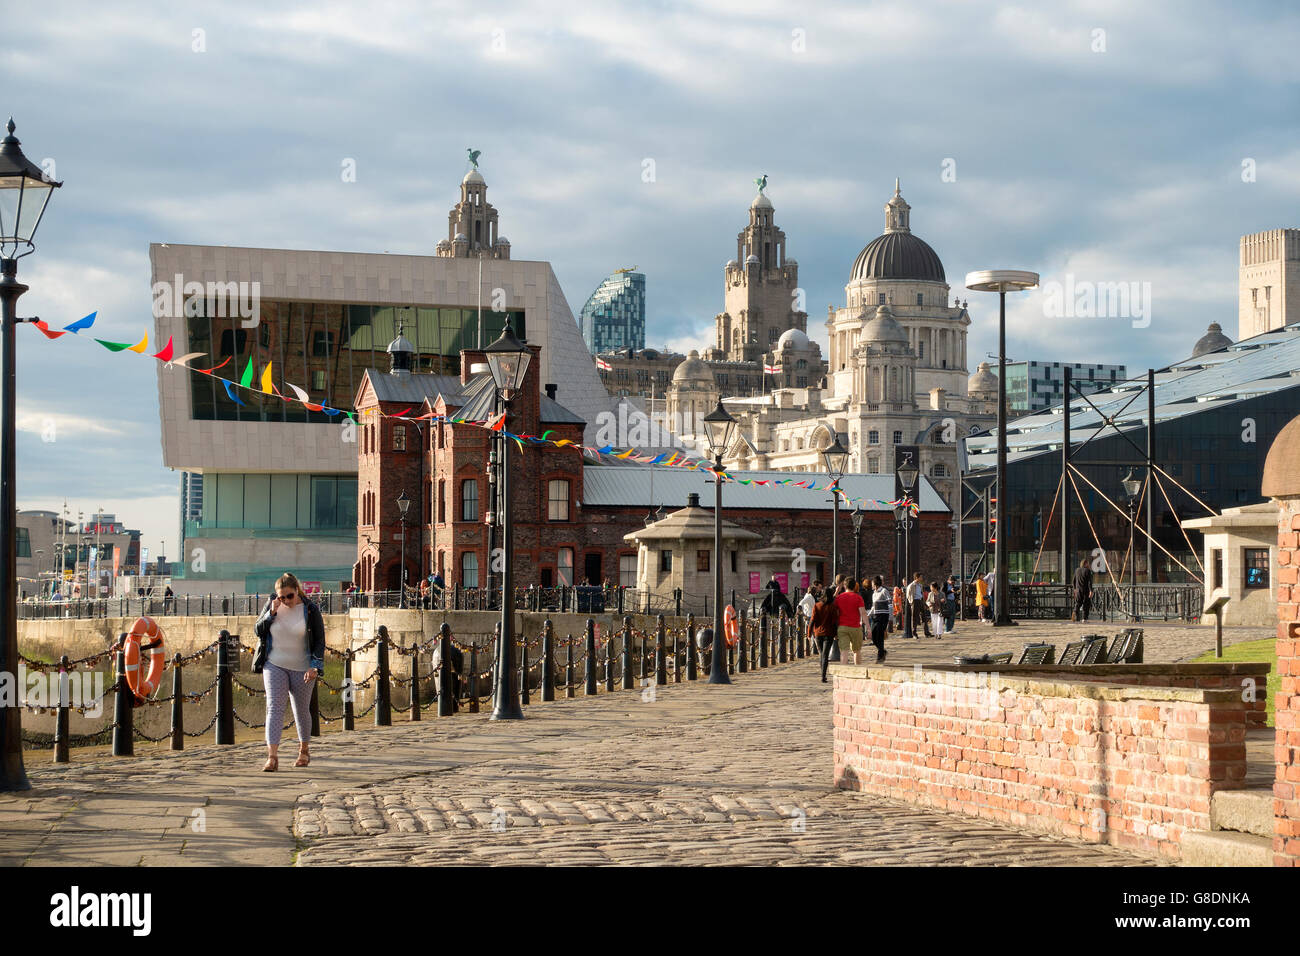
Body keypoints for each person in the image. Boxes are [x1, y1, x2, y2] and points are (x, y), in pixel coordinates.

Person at [252, 572, 325, 772]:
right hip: (274, 664)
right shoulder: (272, 606)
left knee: (301, 710)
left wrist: (314, 666)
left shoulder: (310, 609)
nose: (285, 600)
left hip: (302, 668)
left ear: (297, 590)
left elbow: (319, 641)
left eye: (289, 596)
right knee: (275, 707)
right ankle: (272, 757)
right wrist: (270, 614)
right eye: (281, 597)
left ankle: (304, 751)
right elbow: (257, 630)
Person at [832, 579, 867, 665]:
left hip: (842, 627)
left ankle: (844, 672)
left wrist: (836, 592)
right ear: (854, 586)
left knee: (844, 652)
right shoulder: (858, 598)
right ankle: (858, 671)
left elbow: (832, 607)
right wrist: (868, 628)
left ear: (844, 586)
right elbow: (863, 613)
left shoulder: (839, 598)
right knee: (857, 651)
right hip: (855, 627)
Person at [810, 587, 840, 681]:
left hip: (818, 633)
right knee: (825, 654)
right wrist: (836, 634)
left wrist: (808, 633)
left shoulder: (817, 605)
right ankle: (823, 675)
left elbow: (812, 620)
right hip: (829, 633)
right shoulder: (832, 607)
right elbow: (834, 622)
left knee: (822, 654)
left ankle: (822, 673)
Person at [866, 575, 891, 663]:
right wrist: (868, 615)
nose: (871, 585)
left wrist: (890, 618)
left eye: (872, 583)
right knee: (873, 635)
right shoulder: (874, 594)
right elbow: (874, 606)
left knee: (880, 636)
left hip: (883, 616)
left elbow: (890, 604)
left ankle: (880, 656)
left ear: (876, 583)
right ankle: (882, 651)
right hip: (875, 616)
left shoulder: (884, 591)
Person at [907, 572, 931, 639]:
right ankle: (914, 634)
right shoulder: (911, 585)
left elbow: (921, 593)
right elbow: (908, 595)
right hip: (915, 601)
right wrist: (911, 602)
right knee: (914, 618)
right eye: (920, 577)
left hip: (920, 601)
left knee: (924, 617)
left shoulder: (920, 585)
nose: (921, 578)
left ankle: (927, 633)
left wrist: (923, 601)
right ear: (917, 577)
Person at [1072, 558, 1094, 622]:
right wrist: (1091, 590)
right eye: (1088, 563)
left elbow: (1073, 581)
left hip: (1078, 590)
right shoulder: (1088, 571)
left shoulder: (1077, 570)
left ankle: (1074, 612)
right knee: (1086, 604)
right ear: (1086, 564)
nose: (1089, 564)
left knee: (1078, 603)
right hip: (1085, 590)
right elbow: (1089, 582)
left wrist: (1075, 589)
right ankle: (1085, 618)